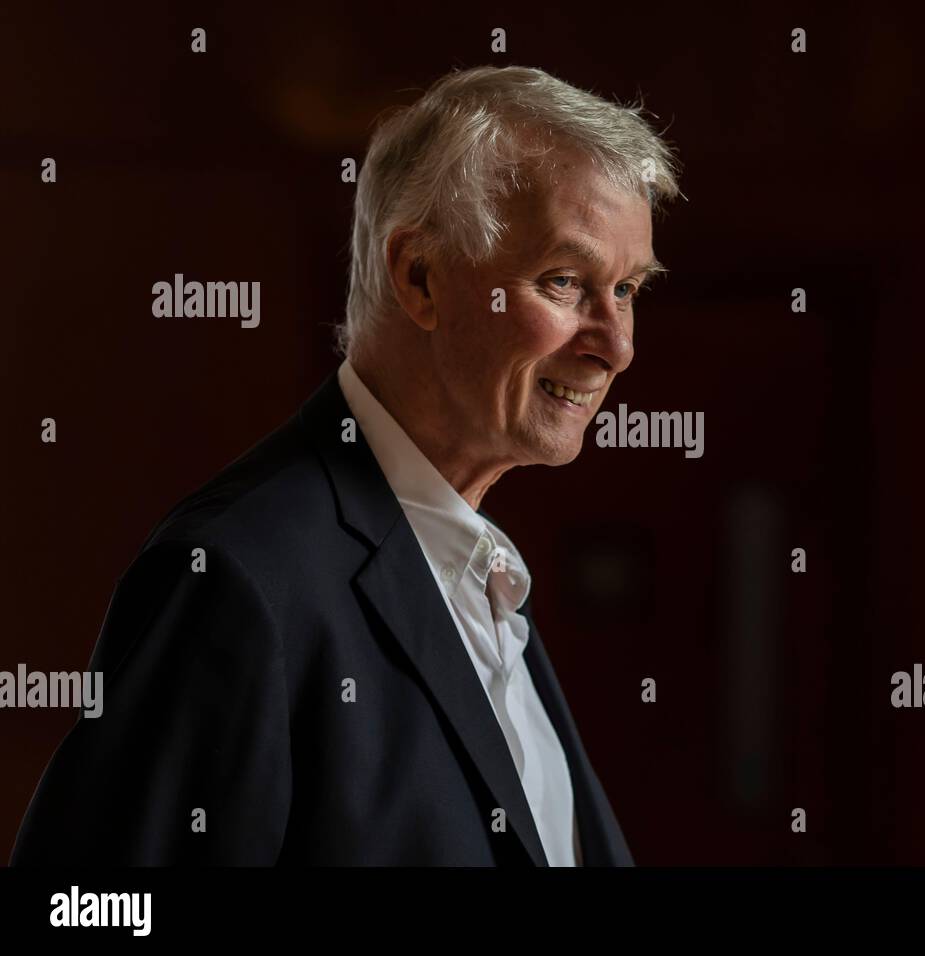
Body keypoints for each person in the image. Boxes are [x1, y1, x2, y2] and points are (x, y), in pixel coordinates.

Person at [11, 64, 681, 866]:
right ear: (419, 277)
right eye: (565, 282)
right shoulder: (238, 579)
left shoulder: (481, 574)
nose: (617, 344)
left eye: (630, 289)